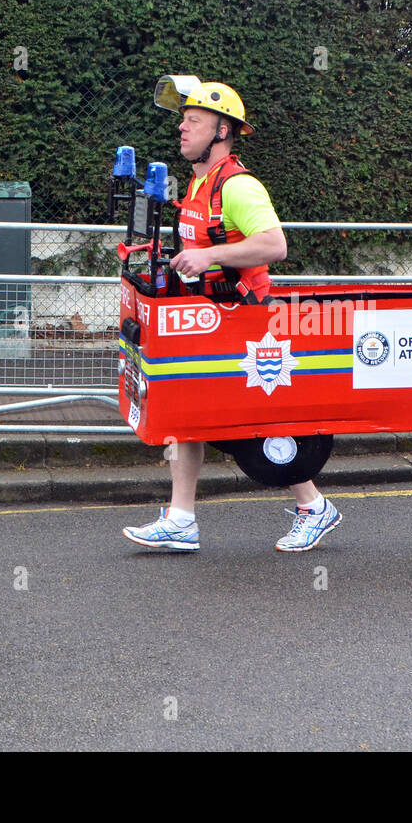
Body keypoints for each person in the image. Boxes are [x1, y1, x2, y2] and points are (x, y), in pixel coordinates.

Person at [122, 75, 342, 553]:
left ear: (222, 131)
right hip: (213, 317)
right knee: (187, 411)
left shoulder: (238, 185)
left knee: (256, 422)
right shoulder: (201, 183)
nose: (182, 128)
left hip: (247, 320)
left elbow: (275, 244)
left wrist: (208, 258)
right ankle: (181, 519)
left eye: (193, 120)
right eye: (183, 119)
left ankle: (314, 505)